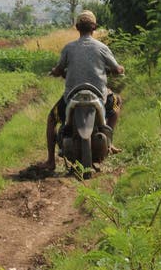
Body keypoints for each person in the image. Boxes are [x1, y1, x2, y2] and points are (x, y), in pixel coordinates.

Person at [39, 10, 124, 173]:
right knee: (117, 103)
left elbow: (59, 69)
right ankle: (110, 142)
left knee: (51, 119)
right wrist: (120, 69)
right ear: (94, 28)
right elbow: (116, 68)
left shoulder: (68, 48)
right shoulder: (102, 47)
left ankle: (50, 161)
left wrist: (56, 71)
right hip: (99, 96)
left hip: (71, 97)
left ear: (77, 27)